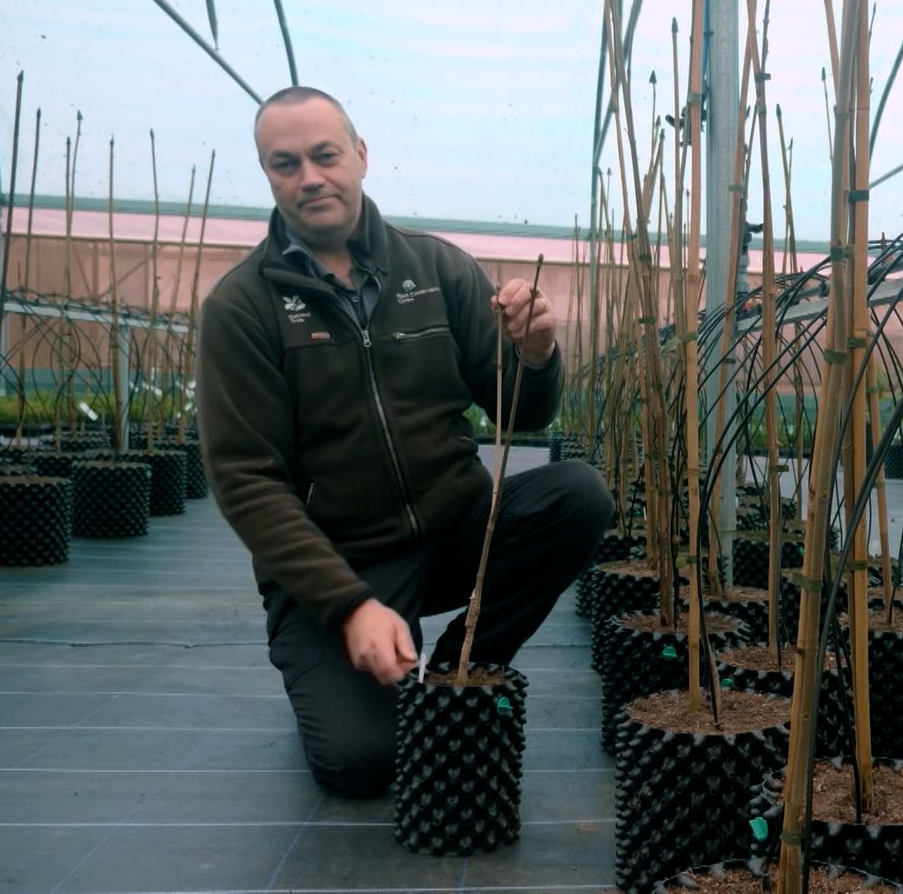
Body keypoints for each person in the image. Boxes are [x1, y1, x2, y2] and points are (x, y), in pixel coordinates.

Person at [197, 86, 612, 797]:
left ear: (360, 156)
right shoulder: (243, 308)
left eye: (325, 155)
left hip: (455, 531)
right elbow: (246, 481)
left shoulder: (437, 269)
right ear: (268, 174)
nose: (310, 177)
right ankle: (344, 656)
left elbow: (522, 418)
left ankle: (458, 662)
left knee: (578, 495)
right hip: (343, 561)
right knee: (360, 764)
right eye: (285, 163)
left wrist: (537, 354)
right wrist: (348, 604)